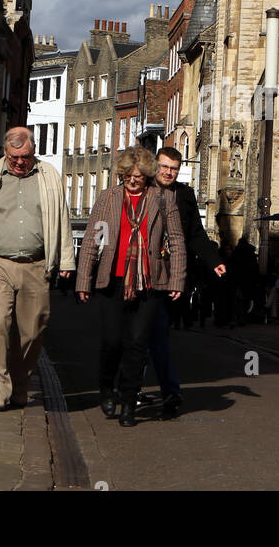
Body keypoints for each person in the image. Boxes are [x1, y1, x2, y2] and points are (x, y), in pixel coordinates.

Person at [0, 127, 74, 411]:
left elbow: (62, 216)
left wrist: (67, 259)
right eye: (14, 157)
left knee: (32, 332)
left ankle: (20, 384)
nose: (19, 162)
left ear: (33, 152)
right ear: (5, 152)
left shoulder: (48, 176)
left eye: (25, 157)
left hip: (36, 266)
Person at [76, 147, 186, 427]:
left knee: (136, 344)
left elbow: (176, 240)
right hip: (113, 280)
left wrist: (176, 280)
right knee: (112, 342)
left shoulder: (163, 199)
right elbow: (92, 240)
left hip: (149, 282)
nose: (132, 180)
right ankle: (106, 388)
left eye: (137, 176)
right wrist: (83, 280)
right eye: (127, 175)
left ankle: (128, 402)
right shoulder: (108, 199)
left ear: (147, 175)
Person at [150, 147, 227, 416]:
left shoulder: (184, 195)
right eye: (164, 167)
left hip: (170, 277)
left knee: (160, 335)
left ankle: (170, 392)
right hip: (141, 274)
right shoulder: (142, 188)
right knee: (134, 338)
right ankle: (131, 388)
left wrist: (212, 259)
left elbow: (195, 232)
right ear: (155, 165)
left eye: (174, 168)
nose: (169, 172)